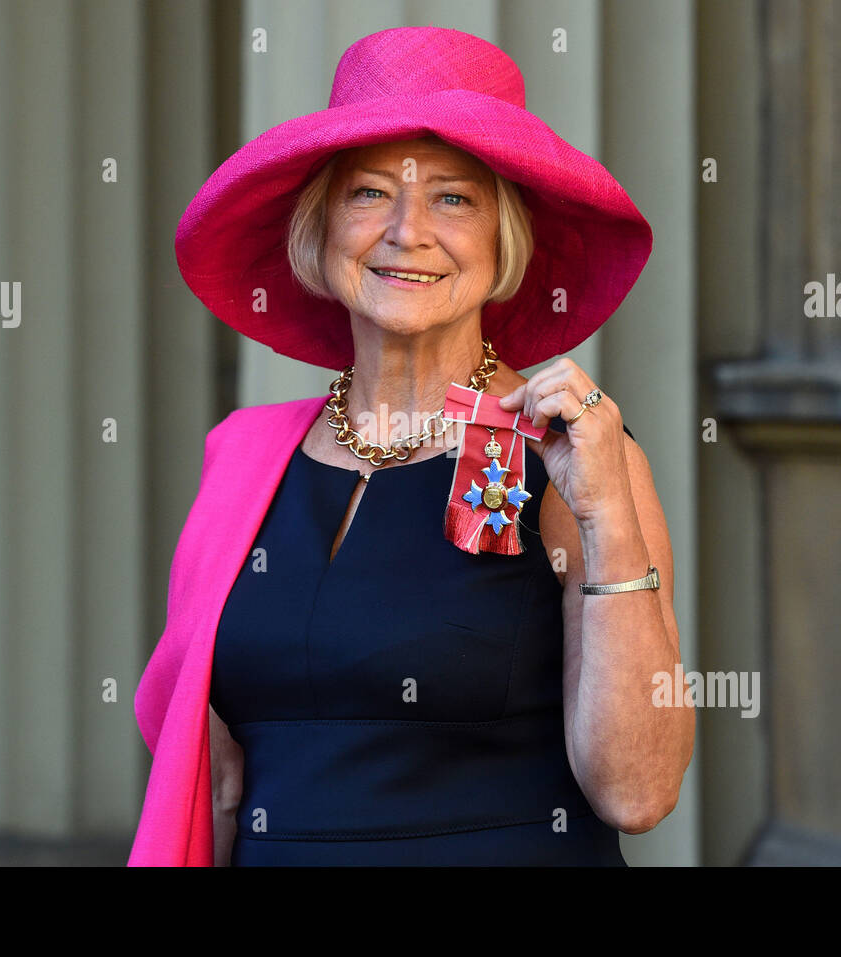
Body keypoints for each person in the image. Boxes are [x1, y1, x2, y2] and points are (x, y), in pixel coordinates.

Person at [129, 25, 691, 867]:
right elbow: (215, 786)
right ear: (319, 232)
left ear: (504, 241)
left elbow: (637, 793)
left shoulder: (576, 456)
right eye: (368, 194)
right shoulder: (245, 459)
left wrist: (607, 513)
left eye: (454, 198)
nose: (407, 231)